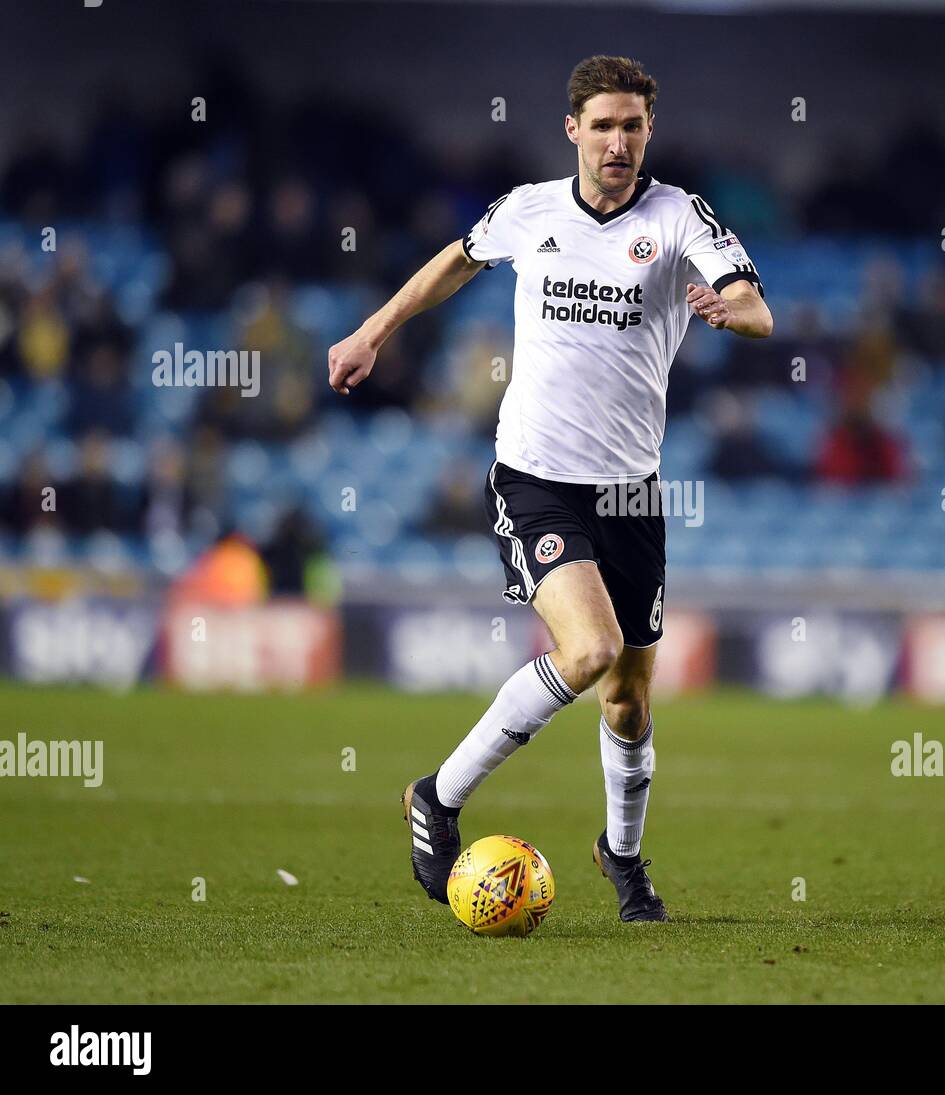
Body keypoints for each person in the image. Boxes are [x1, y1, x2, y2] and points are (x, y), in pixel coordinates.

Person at [326, 56, 773, 922]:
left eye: (632, 126)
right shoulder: (529, 210)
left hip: (631, 493)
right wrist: (372, 330)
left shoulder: (678, 216)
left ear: (649, 131)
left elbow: (755, 305)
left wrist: (733, 313)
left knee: (628, 701)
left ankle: (623, 856)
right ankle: (438, 795)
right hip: (536, 477)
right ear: (573, 130)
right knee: (591, 648)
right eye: (603, 126)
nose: (618, 142)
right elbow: (457, 262)